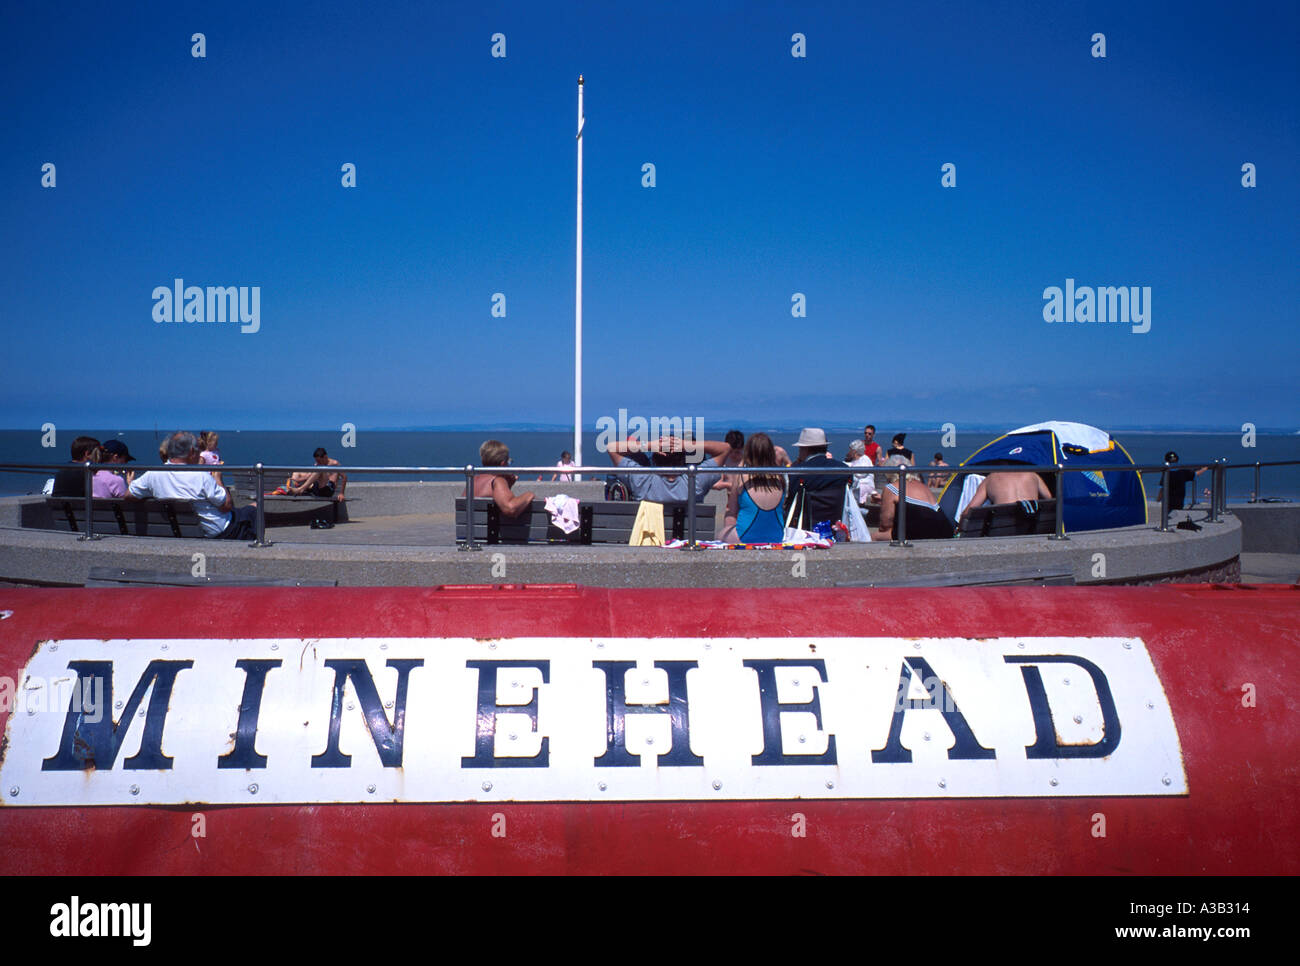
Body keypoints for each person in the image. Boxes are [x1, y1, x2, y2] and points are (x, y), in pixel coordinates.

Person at [127, 431, 257, 539]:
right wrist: (218, 479)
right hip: (218, 532)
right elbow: (226, 506)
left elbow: (128, 495)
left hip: (180, 531)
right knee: (254, 508)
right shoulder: (201, 476)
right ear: (191, 452)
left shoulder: (152, 475)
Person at [604, 434, 730, 503]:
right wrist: (687, 445)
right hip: (686, 541)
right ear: (683, 459)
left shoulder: (643, 481)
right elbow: (725, 449)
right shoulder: (695, 482)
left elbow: (611, 448)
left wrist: (648, 445)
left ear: (655, 459)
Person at [719, 433, 787, 543]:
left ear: (748, 452)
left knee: (721, 534)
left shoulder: (741, 476)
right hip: (777, 536)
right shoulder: (779, 478)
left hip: (746, 535)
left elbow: (731, 511)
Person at [783, 428, 853, 530]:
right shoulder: (844, 471)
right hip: (835, 530)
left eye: (800, 448)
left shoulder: (794, 473)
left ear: (806, 449)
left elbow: (786, 501)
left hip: (803, 532)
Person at [877, 455, 953, 540]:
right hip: (944, 531)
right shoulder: (923, 487)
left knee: (872, 537)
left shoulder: (891, 488)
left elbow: (885, 525)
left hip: (920, 534)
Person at [958, 467, 1053, 533]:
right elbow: (1049, 500)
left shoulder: (991, 478)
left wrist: (959, 529)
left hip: (1002, 529)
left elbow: (968, 511)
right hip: (1032, 527)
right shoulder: (1033, 475)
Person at [471, 439, 535, 517]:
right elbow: (510, 509)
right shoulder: (496, 480)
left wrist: (508, 485)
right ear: (503, 463)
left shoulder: (473, 480)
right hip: (488, 529)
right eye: (509, 462)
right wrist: (530, 494)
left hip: (469, 528)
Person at [846, 439, 879, 505]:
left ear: (854, 451)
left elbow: (860, 473)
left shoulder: (865, 459)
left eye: (850, 450)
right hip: (858, 488)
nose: (849, 452)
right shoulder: (854, 460)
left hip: (864, 490)